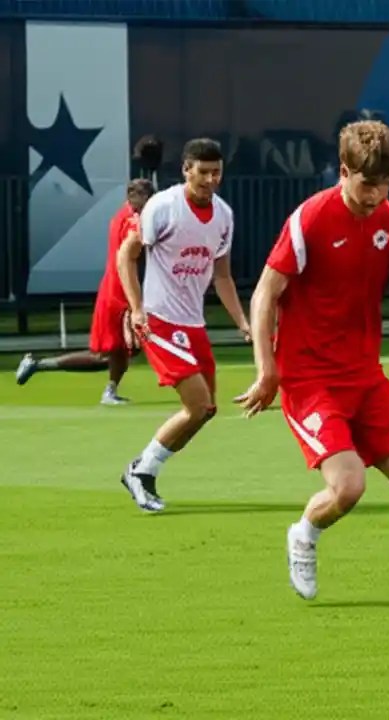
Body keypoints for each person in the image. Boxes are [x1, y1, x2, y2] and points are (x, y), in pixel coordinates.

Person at [234, 120, 389, 602]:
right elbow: (265, 293)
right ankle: (304, 533)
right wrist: (267, 369)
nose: (377, 195)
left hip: (364, 375)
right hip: (309, 378)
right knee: (348, 488)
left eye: (386, 184)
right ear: (343, 171)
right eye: (368, 183)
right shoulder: (310, 219)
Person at [117, 139, 249, 513]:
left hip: (192, 322)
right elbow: (126, 255)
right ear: (186, 170)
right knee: (197, 404)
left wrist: (243, 322)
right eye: (203, 172)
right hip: (159, 320)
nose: (210, 179)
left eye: (216, 172)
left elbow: (221, 275)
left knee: (207, 410)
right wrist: (137, 309)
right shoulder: (164, 206)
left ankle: (143, 469)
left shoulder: (223, 215)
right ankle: (141, 472)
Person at [15, 179, 155, 403]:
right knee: (110, 353)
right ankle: (39, 364)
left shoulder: (122, 214)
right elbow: (132, 254)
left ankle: (109, 391)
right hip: (120, 292)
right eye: (147, 200)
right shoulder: (133, 220)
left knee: (123, 349)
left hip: (117, 288)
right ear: (137, 199)